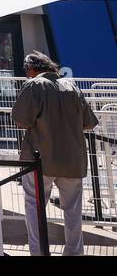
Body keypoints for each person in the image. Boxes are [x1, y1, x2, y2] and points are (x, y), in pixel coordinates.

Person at [13, 51, 99, 256]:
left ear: (31, 69)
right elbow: (89, 122)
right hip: (73, 159)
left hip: (39, 159)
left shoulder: (34, 85)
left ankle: (39, 252)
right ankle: (74, 253)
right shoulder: (72, 86)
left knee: (35, 208)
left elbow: (21, 120)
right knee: (73, 211)